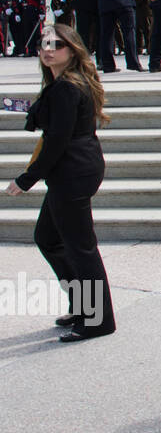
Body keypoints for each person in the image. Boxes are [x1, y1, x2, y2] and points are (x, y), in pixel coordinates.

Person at [5, 26, 115, 342]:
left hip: (73, 171)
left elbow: (56, 140)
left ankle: (97, 320)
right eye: (44, 44)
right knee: (48, 238)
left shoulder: (67, 87)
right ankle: (82, 306)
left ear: (72, 50)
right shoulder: (60, 85)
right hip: (74, 168)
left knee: (81, 249)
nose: (49, 49)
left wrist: (26, 179)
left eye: (57, 44)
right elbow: (41, 114)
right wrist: (8, 103)